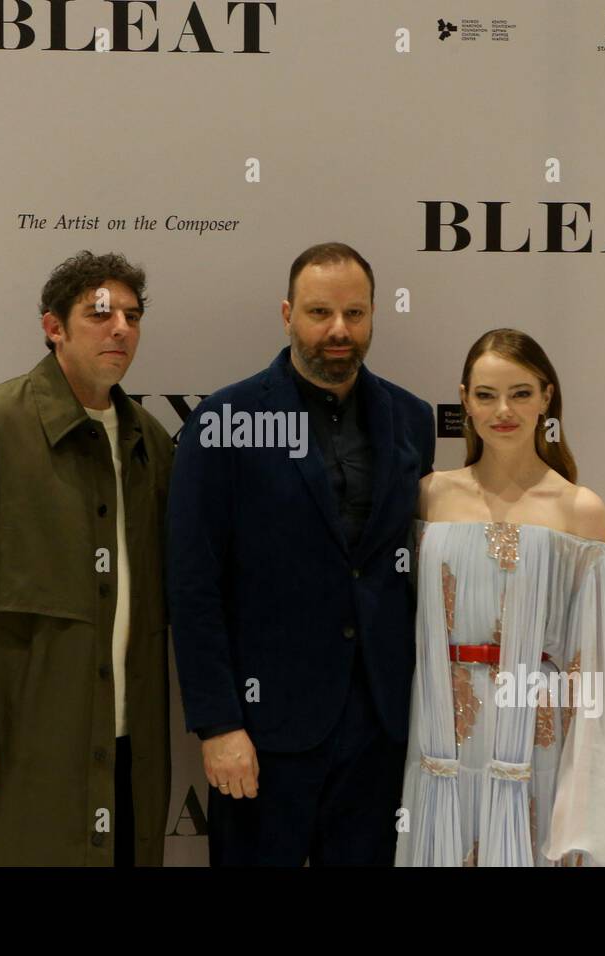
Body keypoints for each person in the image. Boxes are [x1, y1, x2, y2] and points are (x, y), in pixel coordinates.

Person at [0, 250, 175, 866]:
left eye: (132, 316)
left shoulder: (150, 445)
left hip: (125, 744)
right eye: (100, 314)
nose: (121, 329)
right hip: (15, 743)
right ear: (54, 327)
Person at [168, 242, 436, 865]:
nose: (339, 330)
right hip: (262, 733)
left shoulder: (412, 419)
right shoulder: (224, 421)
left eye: (355, 313)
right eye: (320, 313)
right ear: (287, 313)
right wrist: (218, 724)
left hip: (381, 729)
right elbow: (193, 584)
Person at [395, 328, 605, 866]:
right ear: (464, 399)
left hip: (535, 743)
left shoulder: (579, 509)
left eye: (521, 393)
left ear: (546, 398)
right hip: (439, 736)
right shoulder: (429, 495)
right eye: (486, 395)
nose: (502, 410)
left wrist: (585, 791)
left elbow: (594, 667)